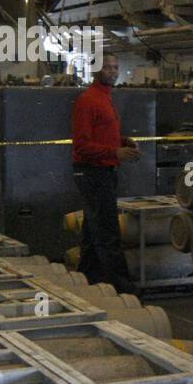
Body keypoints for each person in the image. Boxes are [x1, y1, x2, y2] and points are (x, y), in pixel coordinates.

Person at [71, 52, 140, 293]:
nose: (113, 71)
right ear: (97, 71)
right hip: (92, 173)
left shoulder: (106, 98)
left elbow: (103, 136)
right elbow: (82, 146)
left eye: (115, 67)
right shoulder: (88, 100)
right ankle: (125, 289)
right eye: (108, 67)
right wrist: (115, 153)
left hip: (104, 171)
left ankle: (86, 280)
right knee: (108, 232)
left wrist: (123, 141)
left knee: (93, 231)